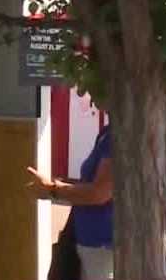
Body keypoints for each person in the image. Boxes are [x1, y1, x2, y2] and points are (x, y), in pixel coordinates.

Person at [29, 116, 114, 280]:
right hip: (88, 242)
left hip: (102, 246)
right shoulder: (107, 133)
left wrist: (53, 189)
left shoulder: (118, 137)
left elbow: (100, 193)